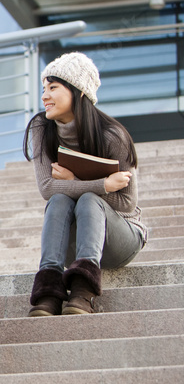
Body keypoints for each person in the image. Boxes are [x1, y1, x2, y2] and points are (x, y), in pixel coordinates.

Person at [23, 52, 146, 317]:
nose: (44, 96)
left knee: (90, 200)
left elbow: (126, 203)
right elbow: (47, 188)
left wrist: (76, 184)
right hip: (73, 240)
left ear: (78, 92)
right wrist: (100, 183)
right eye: (44, 88)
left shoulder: (113, 135)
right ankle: (49, 290)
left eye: (53, 87)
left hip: (120, 238)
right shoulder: (41, 128)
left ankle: (84, 290)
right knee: (58, 199)